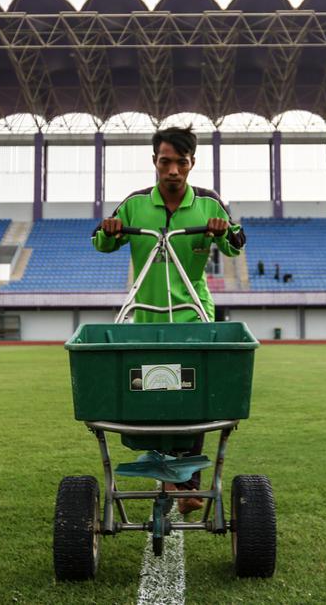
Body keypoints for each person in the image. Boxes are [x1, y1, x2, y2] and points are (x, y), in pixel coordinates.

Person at [92, 126, 246, 513]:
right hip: (146, 317)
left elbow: (237, 242)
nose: (173, 169)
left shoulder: (209, 203)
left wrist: (224, 229)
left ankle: (189, 484)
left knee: (192, 399)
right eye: (166, 161)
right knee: (154, 394)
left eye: (181, 162)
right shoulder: (135, 204)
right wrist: (109, 229)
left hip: (194, 314)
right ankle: (163, 467)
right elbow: (100, 242)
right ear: (155, 162)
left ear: (192, 163)